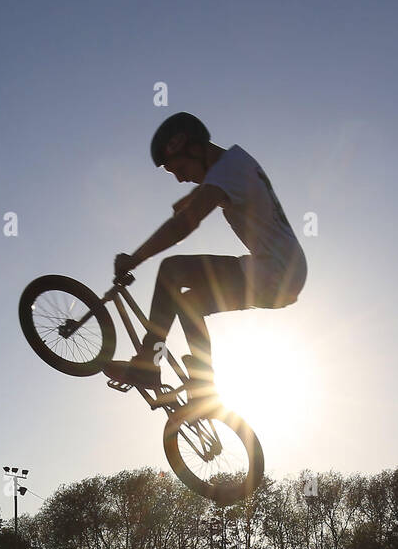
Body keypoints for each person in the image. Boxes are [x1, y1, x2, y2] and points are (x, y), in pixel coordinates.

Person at [103, 112, 307, 402]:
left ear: (196, 148)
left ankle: (148, 363)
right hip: (282, 274)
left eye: (181, 167)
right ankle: (202, 387)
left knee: (172, 269)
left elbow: (185, 224)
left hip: (274, 271)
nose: (180, 178)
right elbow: (221, 185)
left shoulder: (228, 171)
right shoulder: (236, 163)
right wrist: (191, 197)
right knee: (189, 303)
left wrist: (134, 259)